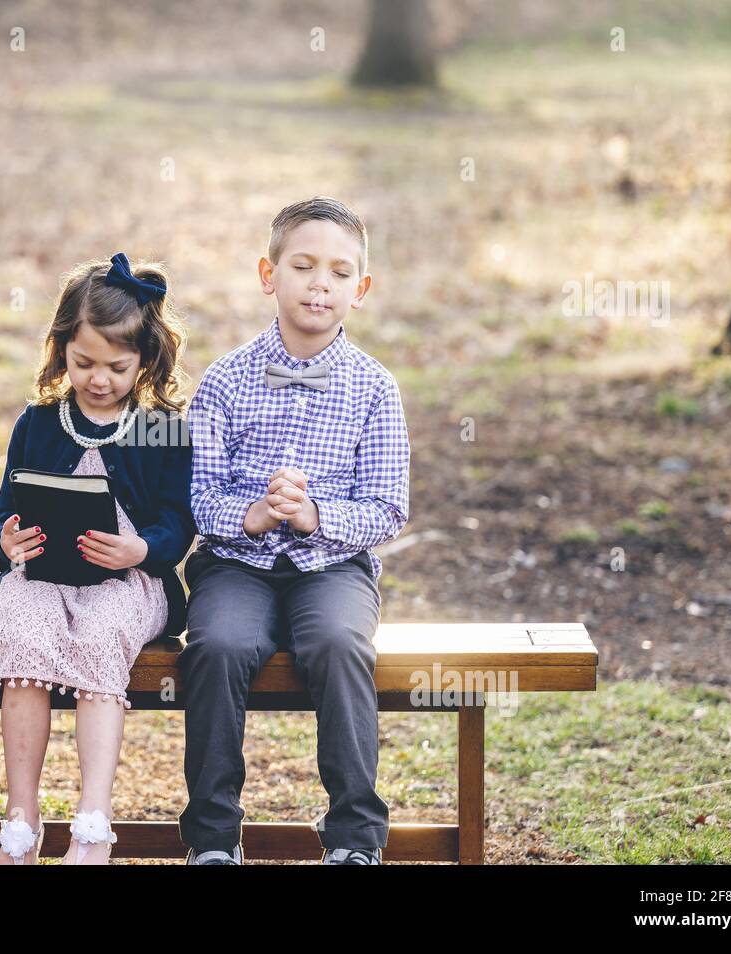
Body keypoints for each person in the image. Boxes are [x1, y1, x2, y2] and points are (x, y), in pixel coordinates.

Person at [0, 252, 194, 865]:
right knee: (22, 634)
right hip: (44, 573)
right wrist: (6, 544)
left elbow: (181, 521)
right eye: (83, 362)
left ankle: (92, 826)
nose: (99, 379)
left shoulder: (161, 426)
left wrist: (143, 548)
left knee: (101, 635)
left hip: (127, 580)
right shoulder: (39, 421)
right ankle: (22, 820)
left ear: (146, 360)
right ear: (61, 349)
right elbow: (0, 519)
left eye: (118, 367)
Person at [179, 196, 411, 865]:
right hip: (236, 564)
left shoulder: (374, 388)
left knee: (339, 643)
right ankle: (213, 839)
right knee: (219, 644)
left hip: (332, 565)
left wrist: (318, 517)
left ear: (359, 290)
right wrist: (250, 516)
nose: (320, 283)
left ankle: (354, 837)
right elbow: (197, 496)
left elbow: (389, 506)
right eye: (303, 266)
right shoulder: (225, 381)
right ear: (268, 273)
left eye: (339, 272)